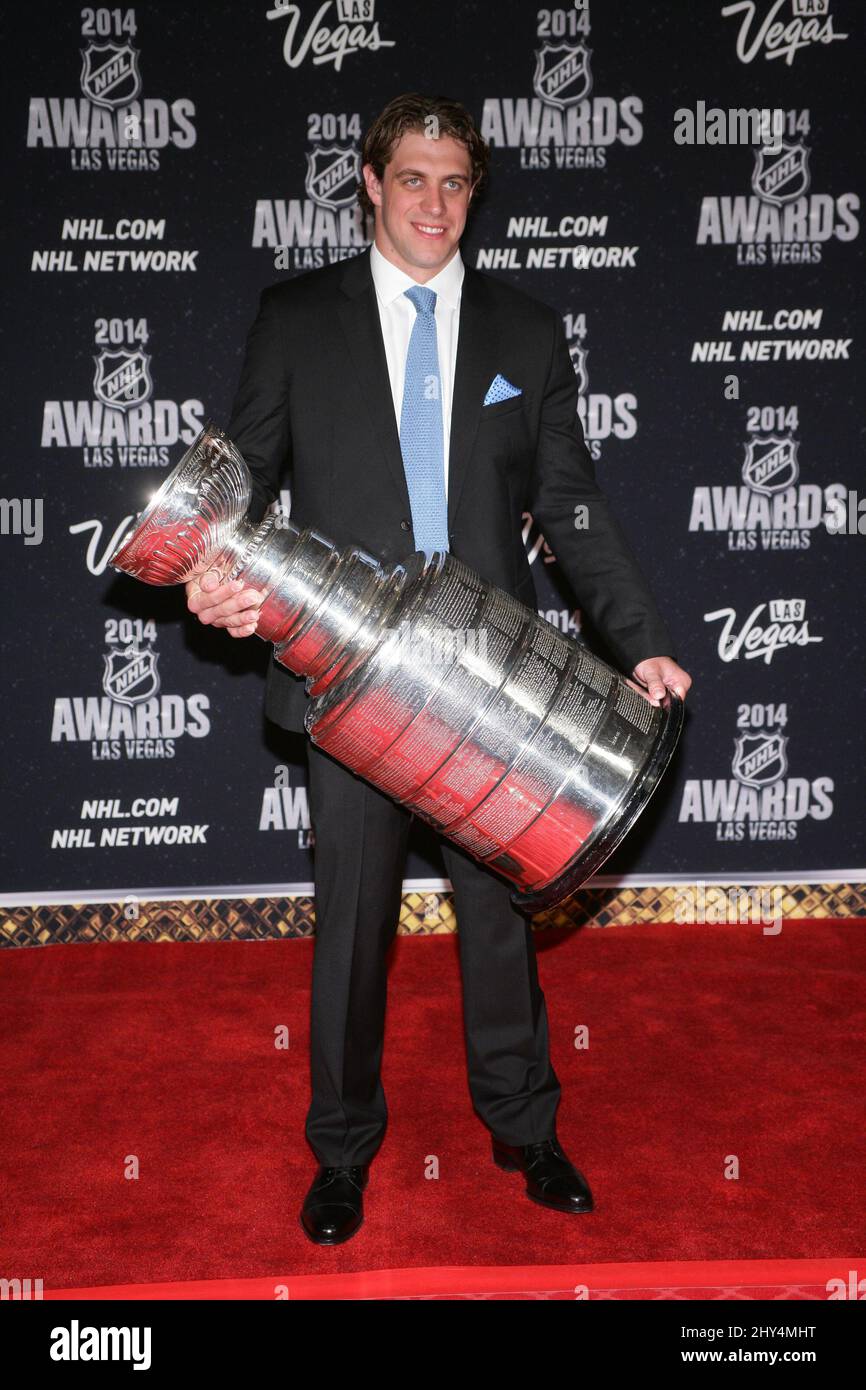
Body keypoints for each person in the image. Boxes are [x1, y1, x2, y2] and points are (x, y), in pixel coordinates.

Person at [186, 93, 692, 1246]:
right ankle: (343, 1149)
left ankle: (523, 1125)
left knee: (502, 915)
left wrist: (640, 643)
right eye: (412, 178)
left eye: (454, 182)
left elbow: (569, 505)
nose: (433, 202)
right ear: (369, 182)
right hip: (344, 667)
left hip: (494, 677)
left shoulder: (524, 330)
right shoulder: (295, 317)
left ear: (474, 192)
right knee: (351, 922)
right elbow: (240, 481)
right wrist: (210, 576)